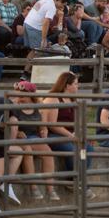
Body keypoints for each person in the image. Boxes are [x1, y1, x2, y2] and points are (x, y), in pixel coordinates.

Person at [41, 72, 95, 200]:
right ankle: (81, 183)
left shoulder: (72, 100)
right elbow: (53, 125)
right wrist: (71, 136)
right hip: (54, 135)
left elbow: (77, 123)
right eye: (75, 84)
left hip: (69, 134)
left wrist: (81, 134)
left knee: (87, 149)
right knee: (71, 149)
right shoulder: (54, 99)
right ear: (67, 85)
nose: (77, 86)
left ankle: (72, 179)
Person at [9, 81, 59, 201]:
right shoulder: (13, 106)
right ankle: (33, 187)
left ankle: (50, 189)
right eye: (19, 92)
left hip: (33, 137)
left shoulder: (37, 107)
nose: (20, 95)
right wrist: (17, 133)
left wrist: (43, 131)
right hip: (19, 138)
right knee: (28, 151)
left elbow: (42, 126)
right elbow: (8, 124)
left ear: (31, 94)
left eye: (23, 92)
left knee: (48, 153)